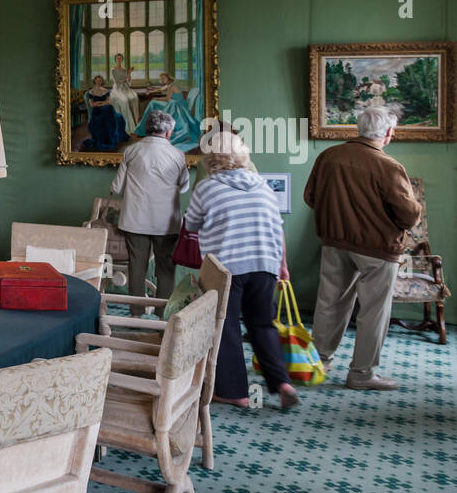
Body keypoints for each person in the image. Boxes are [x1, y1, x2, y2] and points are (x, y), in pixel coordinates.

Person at [303, 107, 421, 391]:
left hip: (334, 241)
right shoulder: (389, 166)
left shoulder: (328, 157)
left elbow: (311, 197)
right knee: (373, 311)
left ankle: (318, 362)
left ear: (358, 128)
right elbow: (409, 216)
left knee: (329, 304)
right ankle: (362, 373)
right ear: (389, 133)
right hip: (378, 250)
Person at [184, 131, 299, 410]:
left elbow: (190, 225)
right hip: (265, 264)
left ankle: (235, 392)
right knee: (262, 324)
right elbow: (278, 229)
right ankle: (282, 382)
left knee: (226, 326)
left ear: (210, 159)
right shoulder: (262, 185)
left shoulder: (207, 188)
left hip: (228, 267)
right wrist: (282, 265)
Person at [110, 108, 189, 316]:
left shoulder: (131, 151)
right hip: (166, 222)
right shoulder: (178, 155)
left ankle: (136, 315)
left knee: (137, 267)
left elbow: (116, 188)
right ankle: (163, 317)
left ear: (147, 129)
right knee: (166, 270)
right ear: (168, 132)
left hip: (135, 219)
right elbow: (184, 186)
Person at [134, 73, 201, 148]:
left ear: (168, 79)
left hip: (177, 106)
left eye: (164, 78)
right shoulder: (169, 85)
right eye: (161, 78)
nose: (162, 80)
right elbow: (160, 89)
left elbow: (167, 99)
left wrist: (156, 98)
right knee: (153, 103)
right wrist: (151, 92)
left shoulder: (171, 86)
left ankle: (146, 129)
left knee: (153, 103)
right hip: (173, 103)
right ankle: (147, 128)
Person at [81, 75, 128, 151]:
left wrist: (99, 103)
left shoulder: (105, 91)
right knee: (106, 108)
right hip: (97, 112)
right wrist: (103, 102)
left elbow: (109, 102)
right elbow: (92, 104)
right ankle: (105, 139)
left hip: (107, 109)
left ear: (102, 82)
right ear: (95, 81)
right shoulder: (91, 91)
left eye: (100, 81)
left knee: (108, 108)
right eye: (97, 80)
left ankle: (111, 137)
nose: (99, 82)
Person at [109, 53, 140, 128]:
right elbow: (116, 81)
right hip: (117, 88)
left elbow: (128, 81)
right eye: (117, 58)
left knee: (134, 97)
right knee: (124, 100)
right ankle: (126, 124)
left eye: (120, 58)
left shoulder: (124, 69)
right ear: (115, 60)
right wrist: (126, 76)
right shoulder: (113, 69)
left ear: (122, 59)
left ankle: (134, 122)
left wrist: (129, 74)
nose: (119, 60)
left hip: (125, 87)